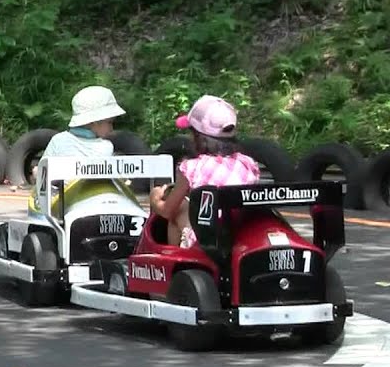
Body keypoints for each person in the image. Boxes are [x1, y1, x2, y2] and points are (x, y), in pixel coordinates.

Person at [149, 94, 261, 248]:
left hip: (207, 240)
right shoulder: (247, 164)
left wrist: (155, 199)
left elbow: (167, 211)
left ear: (199, 137)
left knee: (178, 209)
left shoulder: (191, 168)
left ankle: (174, 257)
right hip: (241, 232)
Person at [31, 85, 126, 216]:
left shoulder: (58, 140)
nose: (112, 128)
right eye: (109, 122)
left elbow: (40, 173)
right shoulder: (105, 146)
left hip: (60, 207)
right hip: (91, 204)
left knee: (38, 171)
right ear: (94, 122)